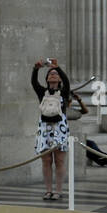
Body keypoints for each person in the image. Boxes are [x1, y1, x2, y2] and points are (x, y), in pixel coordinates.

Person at [32, 59, 72, 201]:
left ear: (59, 78)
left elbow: (67, 82)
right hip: (45, 129)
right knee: (46, 161)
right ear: (47, 78)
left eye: (55, 74)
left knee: (59, 160)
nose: (53, 75)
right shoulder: (43, 92)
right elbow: (34, 83)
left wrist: (57, 67)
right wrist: (36, 69)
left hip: (59, 129)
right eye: (50, 73)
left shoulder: (64, 92)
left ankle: (58, 190)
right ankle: (48, 190)